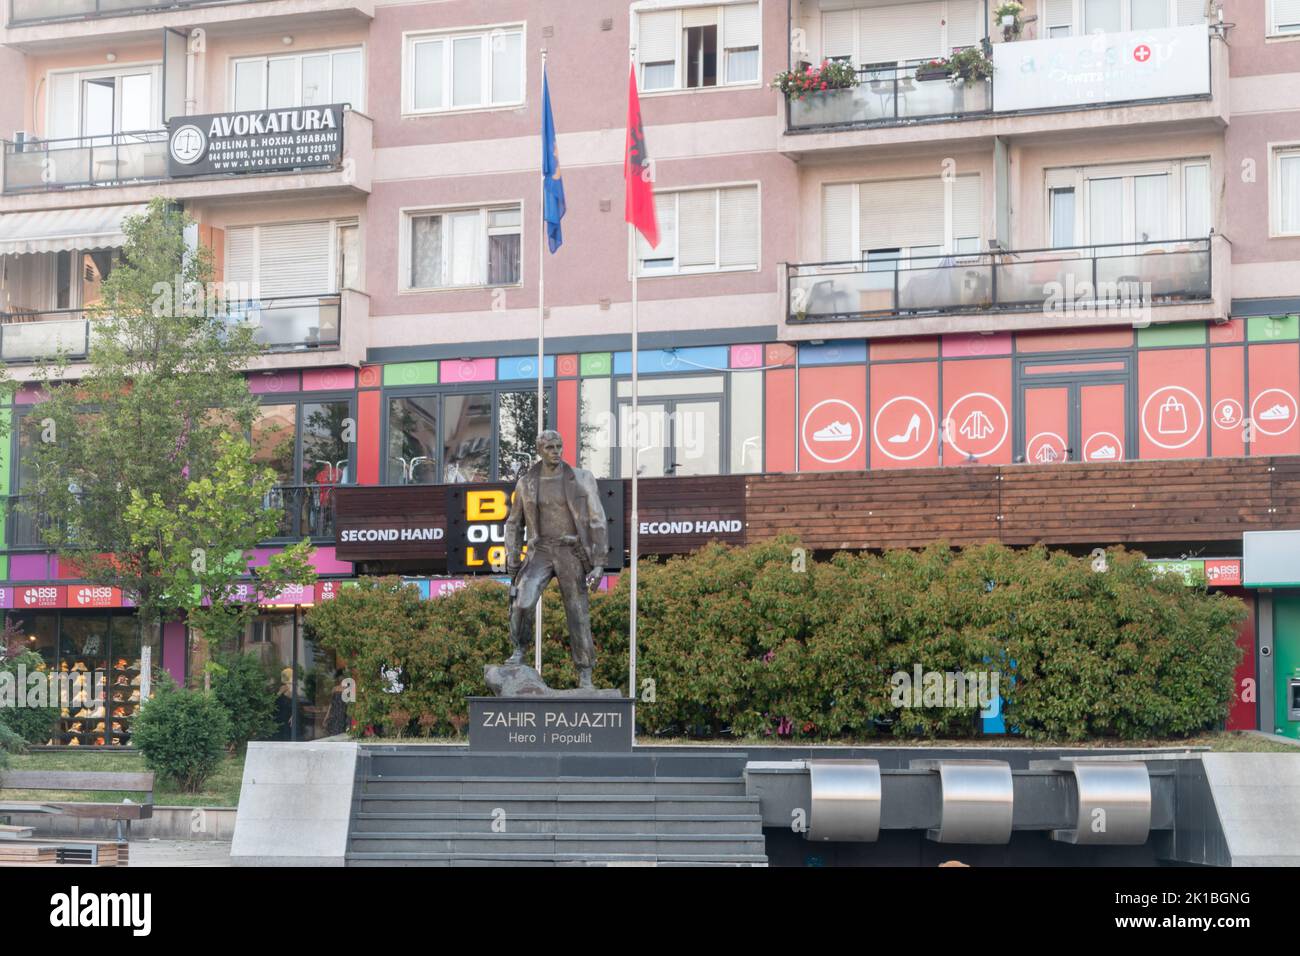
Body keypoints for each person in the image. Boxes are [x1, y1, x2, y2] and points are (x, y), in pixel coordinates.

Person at [503, 430, 607, 689]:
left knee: (578, 612)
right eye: (549, 447)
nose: (556, 451)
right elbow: (513, 524)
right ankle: (519, 650)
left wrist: (599, 562)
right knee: (522, 603)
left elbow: (598, 519)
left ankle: (585, 674)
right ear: (540, 450)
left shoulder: (582, 478)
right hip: (540, 552)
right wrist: (512, 558)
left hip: (570, 550)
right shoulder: (526, 483)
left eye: (559, 446)